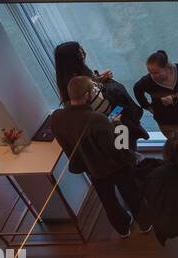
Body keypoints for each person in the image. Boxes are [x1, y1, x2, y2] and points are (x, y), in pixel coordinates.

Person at [50, 75, 147, 236]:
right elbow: (118, 148)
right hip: (115, 166)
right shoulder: (97, 119)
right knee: (130, 192)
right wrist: (118, 125)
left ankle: (122, 228)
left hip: (91, 168)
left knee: (108, 199)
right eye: (93, 89)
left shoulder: (56, 117)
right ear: (87, 95)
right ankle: (144, 222)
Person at [53, 41, 147, 146]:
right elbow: (97, 115)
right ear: (74, 60)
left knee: (127, 146)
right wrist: (118, 116)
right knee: (126, 149)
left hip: (113, 120)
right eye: (81, 54)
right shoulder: (78, 86)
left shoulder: (72, 82)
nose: (85, 55)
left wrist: (99, 79)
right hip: (114, 123)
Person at [132, 50, 178, 144]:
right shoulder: (147, 82)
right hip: (169, 125)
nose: (152, 75)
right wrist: (147, 106)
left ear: (166, 67)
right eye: (150, 72)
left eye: (156, 72)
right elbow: (137, 89)